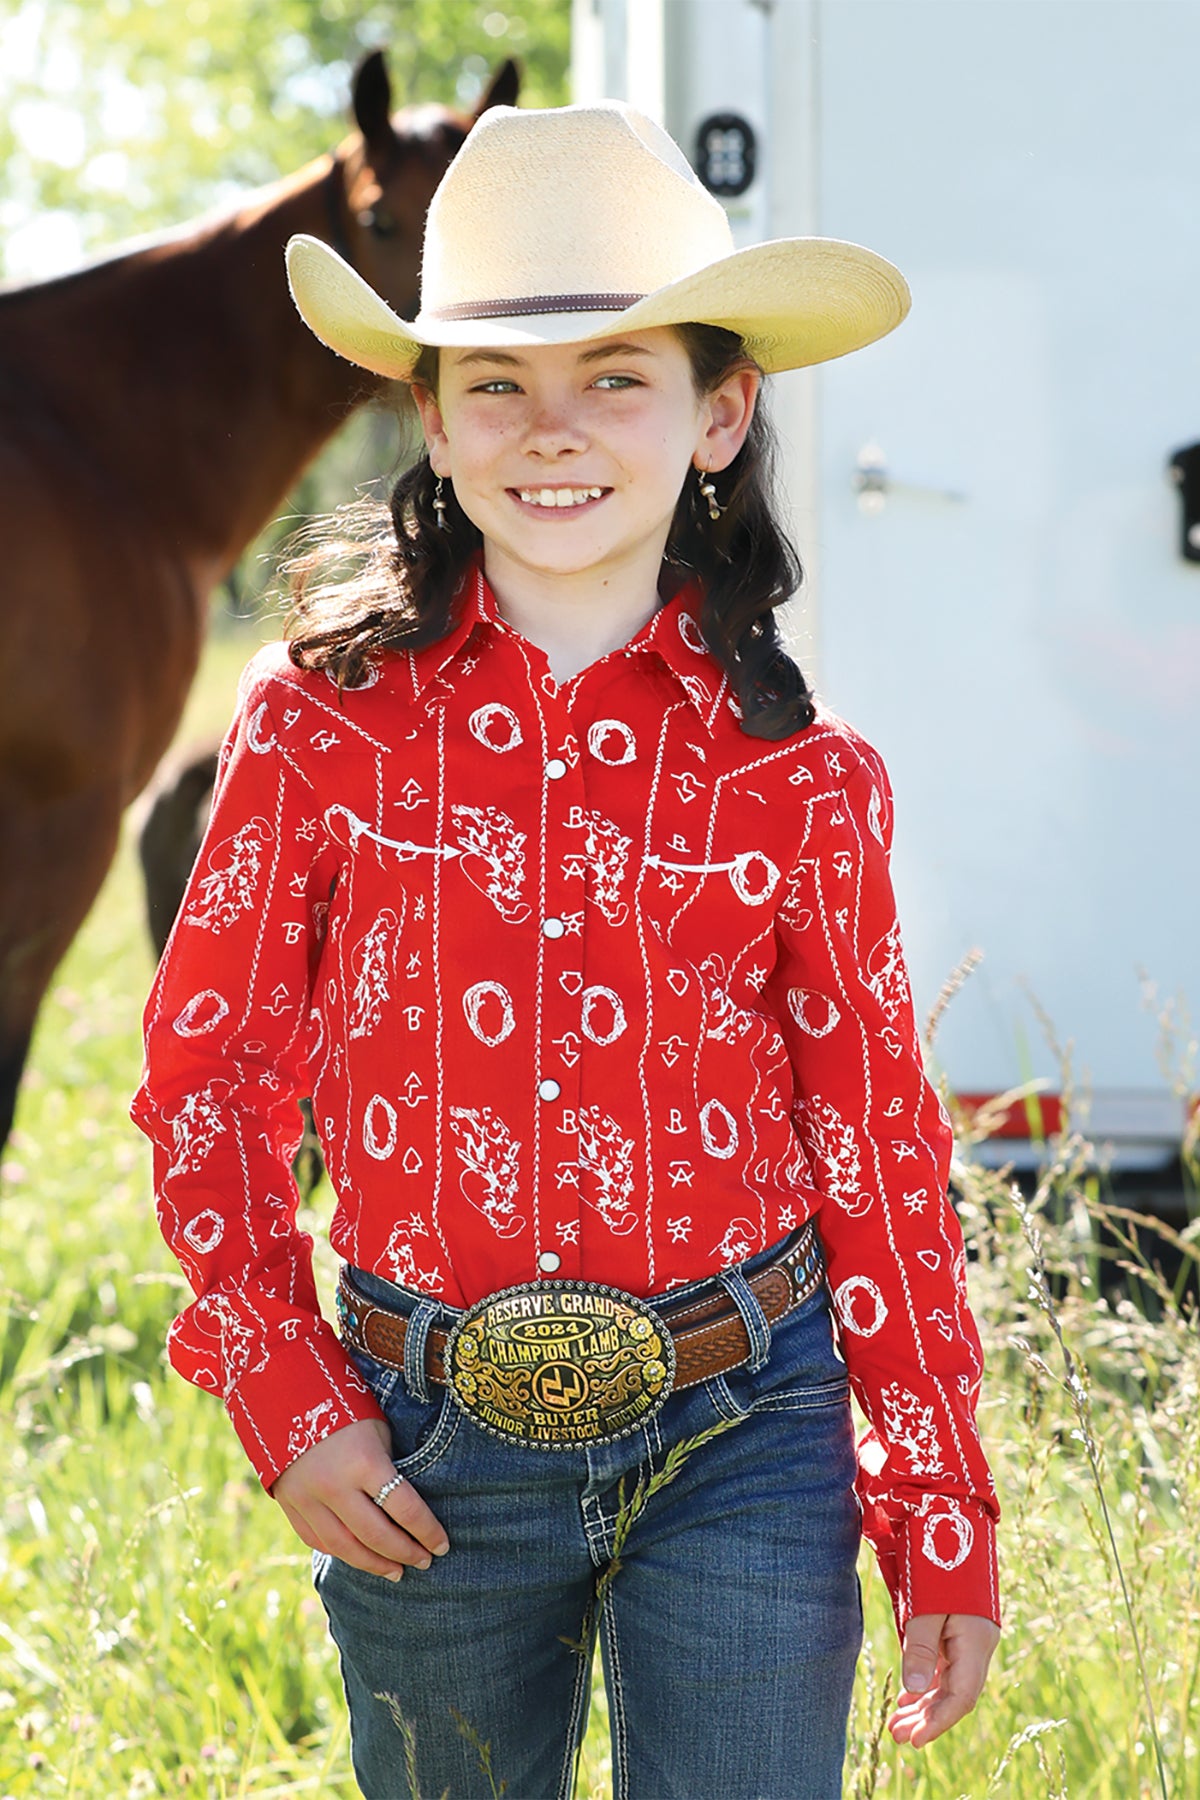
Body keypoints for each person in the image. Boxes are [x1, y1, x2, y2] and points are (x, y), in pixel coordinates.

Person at [132, 99, 1000, 1800]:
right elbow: (211, 1079)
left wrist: (933, 1495)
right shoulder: (321, 729)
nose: (554, 429)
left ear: (719, 414)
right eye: (495, 385)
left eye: (617, 375)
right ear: (434, 425)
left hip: (749, 1417)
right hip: (423, 1436)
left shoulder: (804, 782)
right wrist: (283, 1381)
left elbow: (880, 1146)